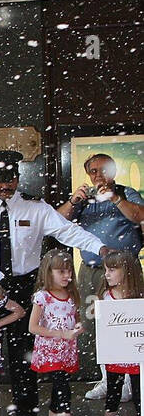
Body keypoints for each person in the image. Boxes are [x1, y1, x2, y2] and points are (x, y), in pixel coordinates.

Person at [0, 150, 105, 416]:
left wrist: (98, 246)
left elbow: (68, 231)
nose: (7, 185)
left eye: (12, 179)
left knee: (23, 353)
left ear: (18, 178)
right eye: (1, 179)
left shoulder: (35, 208)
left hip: (24, 284)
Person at [57, 153, 144, 399]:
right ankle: (109, 379)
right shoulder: (84, 200)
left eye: (103, 169)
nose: (98, 175)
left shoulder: (126, 193)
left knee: (128, 323)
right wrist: (74, 201)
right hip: (93, 271)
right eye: (93, 171)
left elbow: (140, 216)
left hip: (126, 271)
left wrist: (114, 198)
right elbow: (55, 221)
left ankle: (131, 381)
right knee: (96, 325)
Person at [28, 250, 87, 416]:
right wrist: (61, 333)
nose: (67, 276)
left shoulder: (71, 296)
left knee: (58, 392)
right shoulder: (42, 297)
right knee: (63, 391)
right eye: (61, 271)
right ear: (48, 272)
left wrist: (77, 328)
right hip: (50, 352)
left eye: (69, 271)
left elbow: (75, 319)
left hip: (67, 352)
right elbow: (33, 327)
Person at [95, 247, 144, 416]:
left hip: (137, 355)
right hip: (115, 353)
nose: (107, 274)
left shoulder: (140, 296)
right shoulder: (105, 296)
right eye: (106, 270)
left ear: (127, 271)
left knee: (140, 398)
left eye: (112, 270)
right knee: (113, 395)